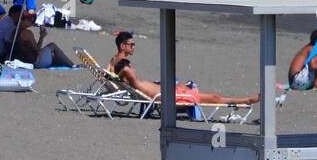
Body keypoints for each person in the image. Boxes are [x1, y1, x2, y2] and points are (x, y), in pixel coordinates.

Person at [108, 32, 257, 105]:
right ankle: (246, 100)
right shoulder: (129, 73)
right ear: (123, 46)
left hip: (169, 91)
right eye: (131, 45)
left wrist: (114, 75)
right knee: (214, 97)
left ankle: (188, 87)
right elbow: (124, 71)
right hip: (169, 96)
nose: (134, 47)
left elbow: (108, 71)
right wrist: (122, 72)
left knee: (186, 86)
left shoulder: (115, 62)